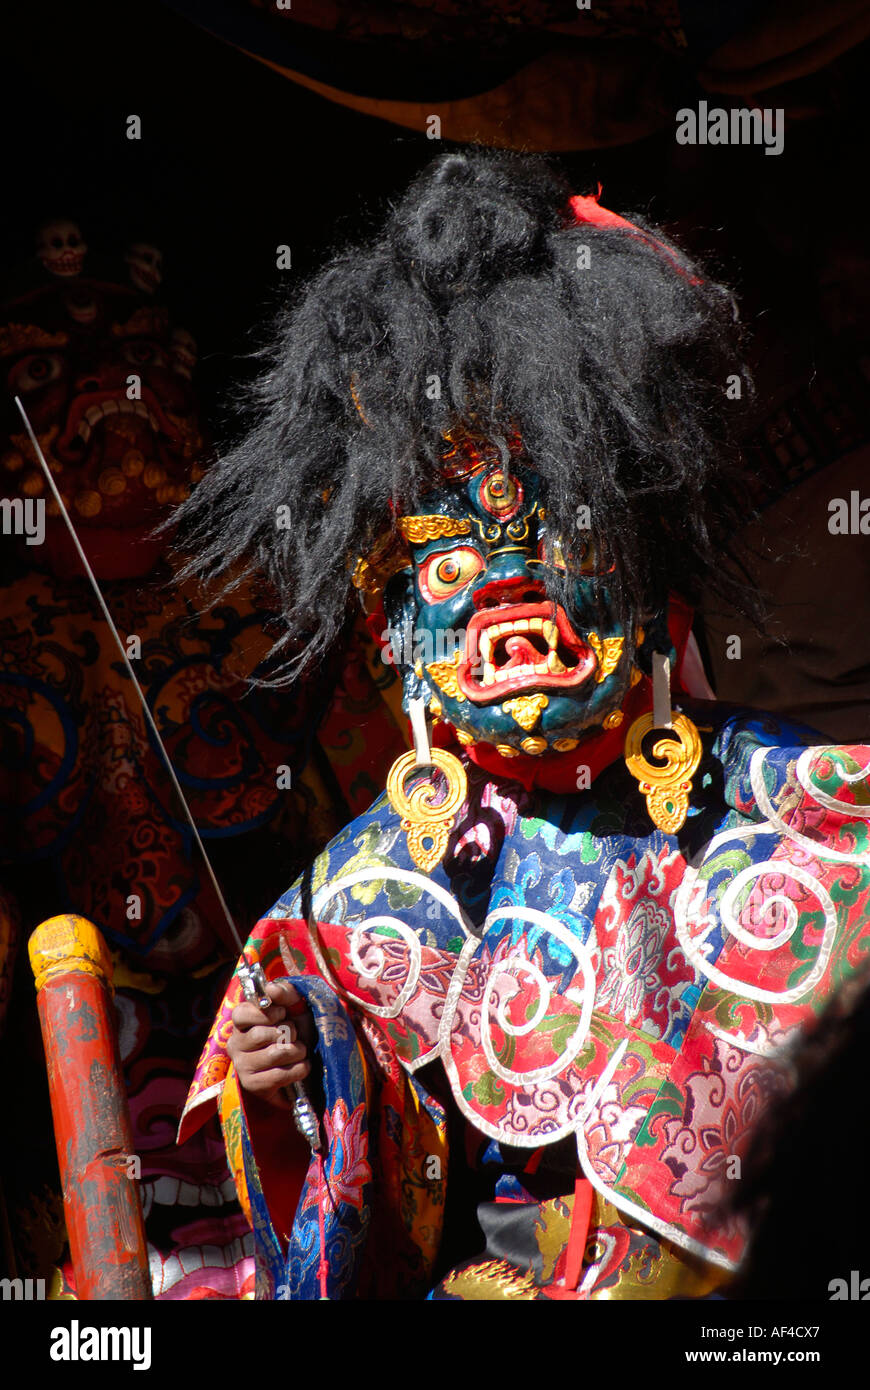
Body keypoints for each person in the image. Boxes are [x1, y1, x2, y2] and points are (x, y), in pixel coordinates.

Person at [176, 149, 870, 1300]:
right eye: (448, 556)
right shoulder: (360, 895)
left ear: (655, 583)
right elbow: (341, 1217)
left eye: (559, 540)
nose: (507, 587)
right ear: (388, 618)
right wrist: (287, 1078)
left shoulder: (798, 808)